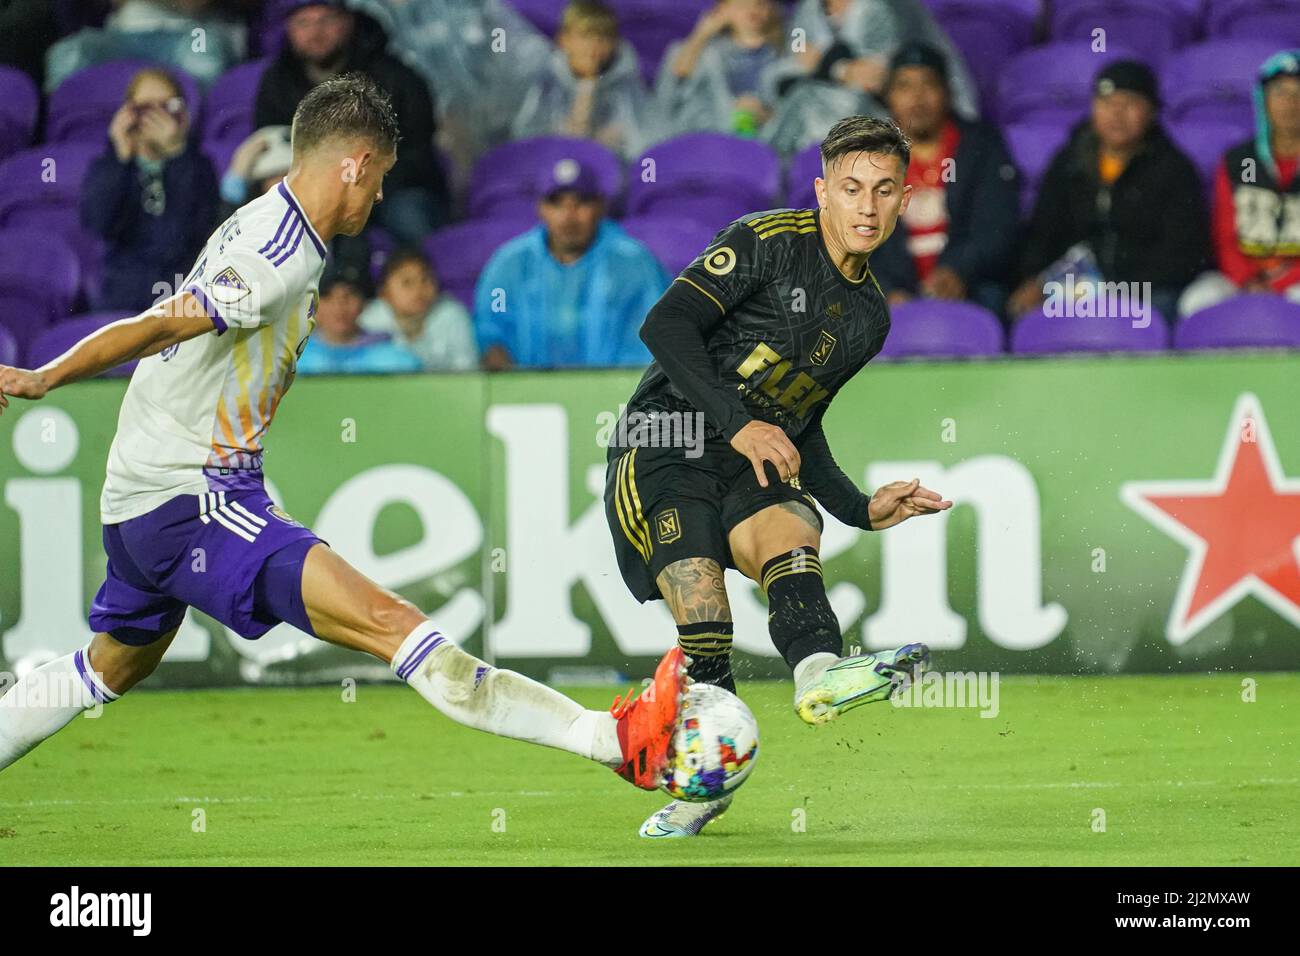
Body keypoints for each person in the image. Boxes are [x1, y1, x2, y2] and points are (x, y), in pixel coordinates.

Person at [0, 75, 687, 795]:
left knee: (106, 667)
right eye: (381, 178)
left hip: (142, 495)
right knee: (394, 623)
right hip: (191, 498)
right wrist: (49, 375)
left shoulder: (262, 218)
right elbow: (163, 322)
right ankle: (614, 742)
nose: (382, 197)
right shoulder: (280, 252)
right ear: (355, 163)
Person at [604, 116, 952, 838]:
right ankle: (706, 787)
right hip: (662, 443)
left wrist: (860, 507)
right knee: (707, 618)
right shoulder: (764, 241)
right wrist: (738, 422)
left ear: (903, 200)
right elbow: (665, 328)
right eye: (851, 187)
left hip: (751, 453)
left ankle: (821, 674)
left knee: (795, 533)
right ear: (822, 191)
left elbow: (801, 421)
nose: (866, 206)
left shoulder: (868, 318)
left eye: (884, 191)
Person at [1008, 60, 1208, 324]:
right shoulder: (1069, 162)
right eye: (1106, 103)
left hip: (1146, 288)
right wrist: (1036, 279)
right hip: (1079, 283)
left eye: (1129, 103)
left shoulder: (1174, 169)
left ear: (1151, 111)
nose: (1116, 113)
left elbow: (1182, 255)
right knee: (1021, 308)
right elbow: (1044, 232)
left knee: (1156, 311)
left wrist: (1116, 289)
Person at [254, 0, 449, 243]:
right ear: (288, 29)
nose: (315, 33)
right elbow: (272, 145)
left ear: (348, 22)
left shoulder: (395, 77)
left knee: (410, 217)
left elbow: (418, 152)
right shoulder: (277, 83)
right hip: (315, 192)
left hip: (390, 188)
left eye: (326, 20)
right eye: (303, 23)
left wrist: (360, 186)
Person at [474, 158, 667, 370]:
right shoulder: (509, 263)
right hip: (527, 399)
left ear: (600, 206)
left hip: (617, 396)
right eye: (557, 203)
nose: (569, 216)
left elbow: (652, 340)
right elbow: (489, 332)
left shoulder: (634, 263)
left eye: (581, 202)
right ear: (541, 208)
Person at [870, 42, 1020, 316]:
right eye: (904, 87)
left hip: (969, 286)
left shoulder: (980, 146)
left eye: (929, 84)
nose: (917, 98)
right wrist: (886, 289)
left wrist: (958, 271)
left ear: (948, 93)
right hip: (892, 292)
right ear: (888, 97)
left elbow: (997, 226)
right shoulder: (871, 157)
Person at [761, 0, 980, 156]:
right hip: (823, 117)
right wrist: (838, 67)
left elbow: (874, 79)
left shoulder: (886, 7)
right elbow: (785, 74)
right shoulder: (808, 9)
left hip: (895, 119)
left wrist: (828, 66)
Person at [80, 66, 217, 312]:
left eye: (166, 107)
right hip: (123, 298)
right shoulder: (108, 167)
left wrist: (177, 156)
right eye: (143, 108)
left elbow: (181, 236)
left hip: (183, 297)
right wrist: (119, 155)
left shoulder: (200, 168)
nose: (155, 117)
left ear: (182, 114)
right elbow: (99, 223)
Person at [1179, 50, 1300, 316]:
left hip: (1296, 283)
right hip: (1242, 277)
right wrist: (1247, 279)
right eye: (1280, 92)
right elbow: (1225, 235)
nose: (1291, 103)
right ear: (1263, 100)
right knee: (1196, 303)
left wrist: (1279, 284)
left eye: (1298, 93)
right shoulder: (1241, 161)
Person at [511, 0, 662, 161]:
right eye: (585, 36)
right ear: (564, 40)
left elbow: (642, 141)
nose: (593, 47)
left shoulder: (624, 82)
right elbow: (527, 138)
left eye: (603, 38)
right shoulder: (546, 80)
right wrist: (585, 89)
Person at [656, 0, 785, 138]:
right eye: (742, 5)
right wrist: (702, 33)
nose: (752, 10)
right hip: (714, 136)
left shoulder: (784, 52)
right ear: (724, 9)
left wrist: (764, 114)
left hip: (768, 137)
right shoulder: (709, 52)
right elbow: (678, 79)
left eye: (760, 4)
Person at [295, 258, 422, 375]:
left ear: (364, 304)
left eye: (350, 295)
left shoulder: (397, 361)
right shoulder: (291, 361)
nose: (339, 306)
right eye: (327, 296)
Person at [359, 247, 478, 371]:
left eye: (425, 279)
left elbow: (468, 371)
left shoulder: (452, 315)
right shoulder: (369, 320)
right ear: (384, 293)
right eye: (407, 282)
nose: (419, 290)